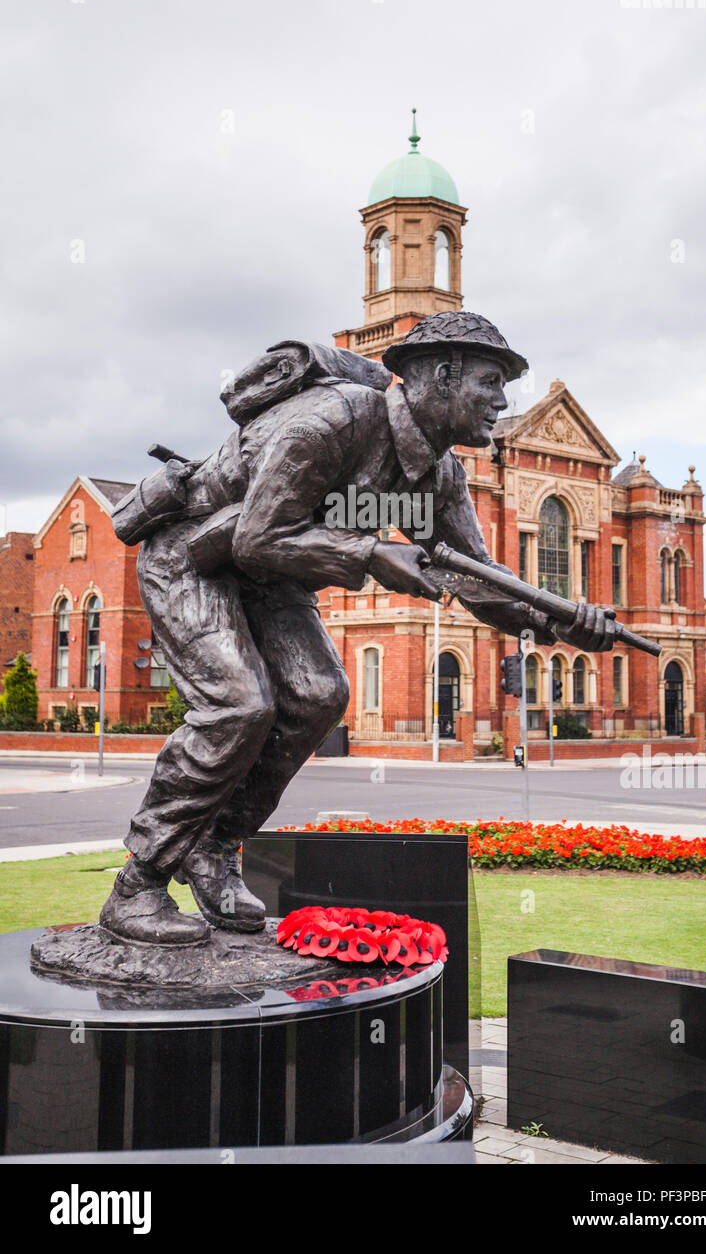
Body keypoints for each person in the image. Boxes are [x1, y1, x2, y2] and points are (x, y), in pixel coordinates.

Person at [100, 311, 616, 945]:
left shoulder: (440, 474)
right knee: (239, 705)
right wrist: (371, 555)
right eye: (490, 381)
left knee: (319, 695)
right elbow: (261, 535)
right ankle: (138, 886)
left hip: (275, 576)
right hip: (193, 558)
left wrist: (564, 622)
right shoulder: (335, 419)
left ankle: (216, 847)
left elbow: (475, 579)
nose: (501, 401)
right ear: (440, 376)